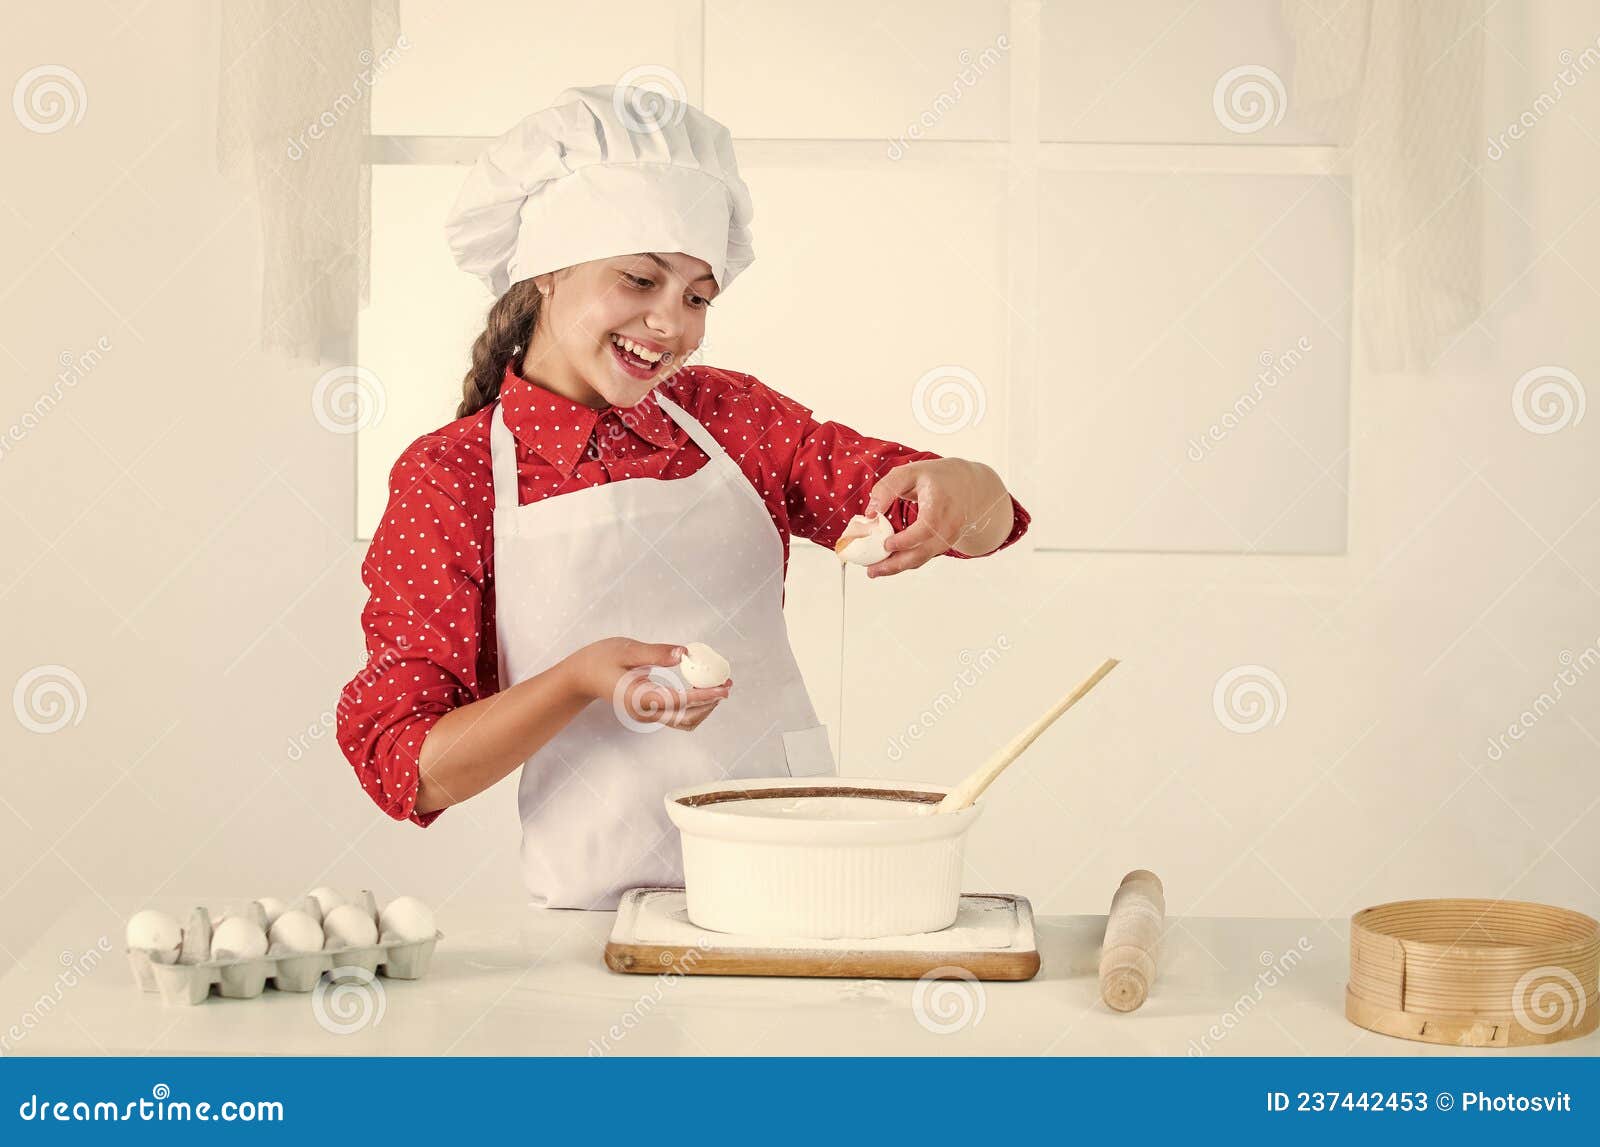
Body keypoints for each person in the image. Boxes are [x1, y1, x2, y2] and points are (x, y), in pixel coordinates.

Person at [335, 84, 1031, 911]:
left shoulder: (731, 417)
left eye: (698, 296)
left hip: (800, 887)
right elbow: (409, 769)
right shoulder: (451, 478)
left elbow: (980, 520)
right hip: (600, 924)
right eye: (639, 280)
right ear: (546, 274)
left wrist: (962, 486)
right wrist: (579, 680)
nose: (673, 325)